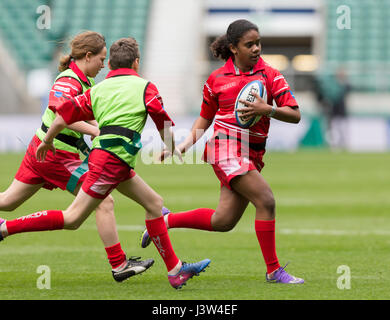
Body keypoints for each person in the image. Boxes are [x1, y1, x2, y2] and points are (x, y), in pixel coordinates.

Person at [0, 37, 210, 289]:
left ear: (111, 62)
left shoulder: (96, 88)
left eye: (104, 61)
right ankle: (6, 230)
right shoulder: (126, 85)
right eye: (98, 59)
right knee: (75, 217)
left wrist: (50, 138)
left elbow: (65, 115)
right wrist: (174, 149)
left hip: (87, 155)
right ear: (136, 62)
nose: (101, 65)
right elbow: (163, 124)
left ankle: (175, 270)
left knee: (153, 202)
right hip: (75, 156)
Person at [141, 19, 304, 284]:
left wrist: (268, 110)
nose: (256, 49)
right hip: (225, 146)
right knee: (266, 200)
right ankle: (273, 270)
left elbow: (295, 115)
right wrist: (181, 146)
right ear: (233, 48)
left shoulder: (271, 75)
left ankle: (165, 220)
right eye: (249, 44)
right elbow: (204, 120)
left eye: (258, 43)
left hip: (252, 153)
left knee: (224, 220)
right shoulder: (216, 80)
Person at [0, 31, 154, 282]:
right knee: (103, 201)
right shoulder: (68, 81)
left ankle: (153, 209)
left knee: (7, 201)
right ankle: (119, 264)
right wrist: (96, 130)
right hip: (57, 152)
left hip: (49, 148)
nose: (104, 65)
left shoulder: (83, 82)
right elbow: (63, 115)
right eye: (101, 59)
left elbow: (83, 112)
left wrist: (100, 126)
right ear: (88, 55)